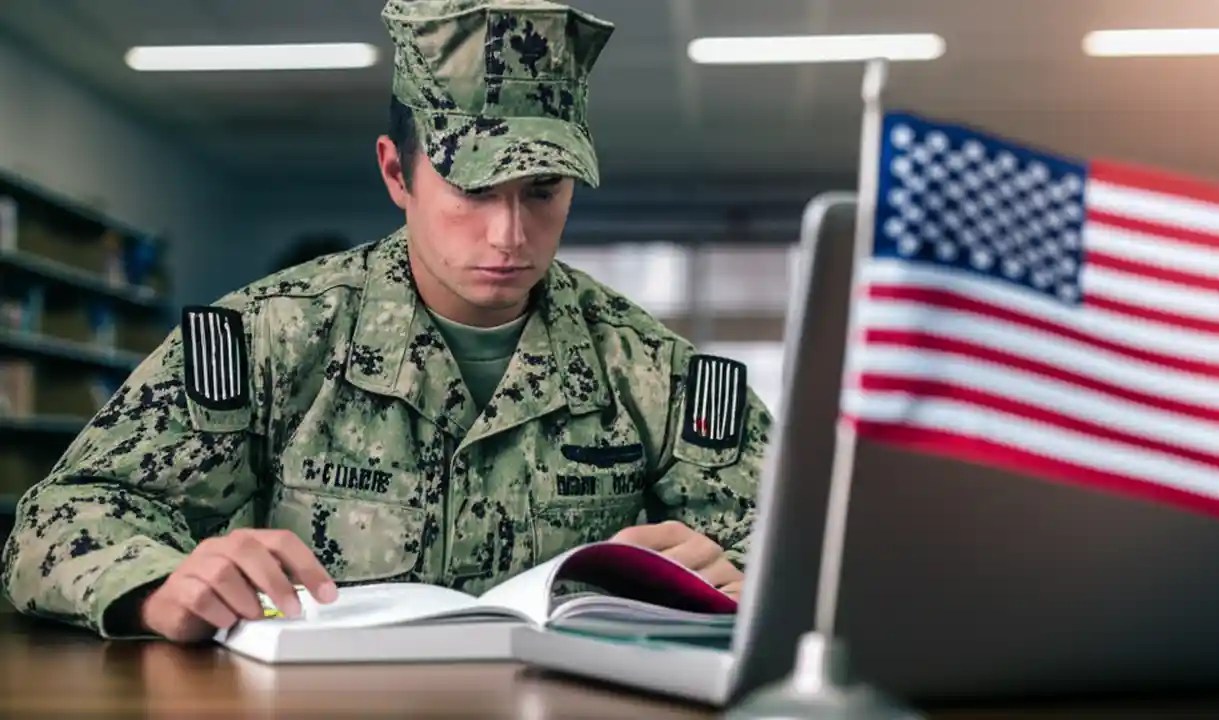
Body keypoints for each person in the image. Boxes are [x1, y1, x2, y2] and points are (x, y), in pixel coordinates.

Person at [0, 0, 771, 643]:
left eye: (543, 190)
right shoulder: (272, 338)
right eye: (472, 190)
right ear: (396, 173)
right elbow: (57, 520)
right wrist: (159, 584)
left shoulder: (651, 369)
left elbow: (817, 550)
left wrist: (743, 569)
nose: (509, 235)